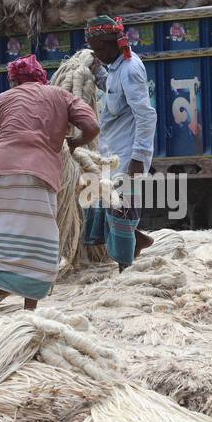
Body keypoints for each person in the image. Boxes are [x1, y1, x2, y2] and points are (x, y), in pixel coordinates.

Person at [0, 54, 99, 315]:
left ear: (14, 80)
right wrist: (74, 143)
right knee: (38, 242)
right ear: (41, 78)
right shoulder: (61, 95)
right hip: (41, 175)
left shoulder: (0, 99)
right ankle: (29, 310)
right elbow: (92, 126)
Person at [82, 15, 157, 270]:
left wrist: (139, 156)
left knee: (120, 211)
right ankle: (138, 240)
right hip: (110, 151)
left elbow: (146, 116)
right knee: (109, 208)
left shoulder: (130, 68)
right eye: (95, 50)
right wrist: (96, 71)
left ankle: (125, 266)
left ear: (115, 42)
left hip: (127, 154)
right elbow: (113, 91)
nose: (98, 53)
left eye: (101, 48)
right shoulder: (114, 67)